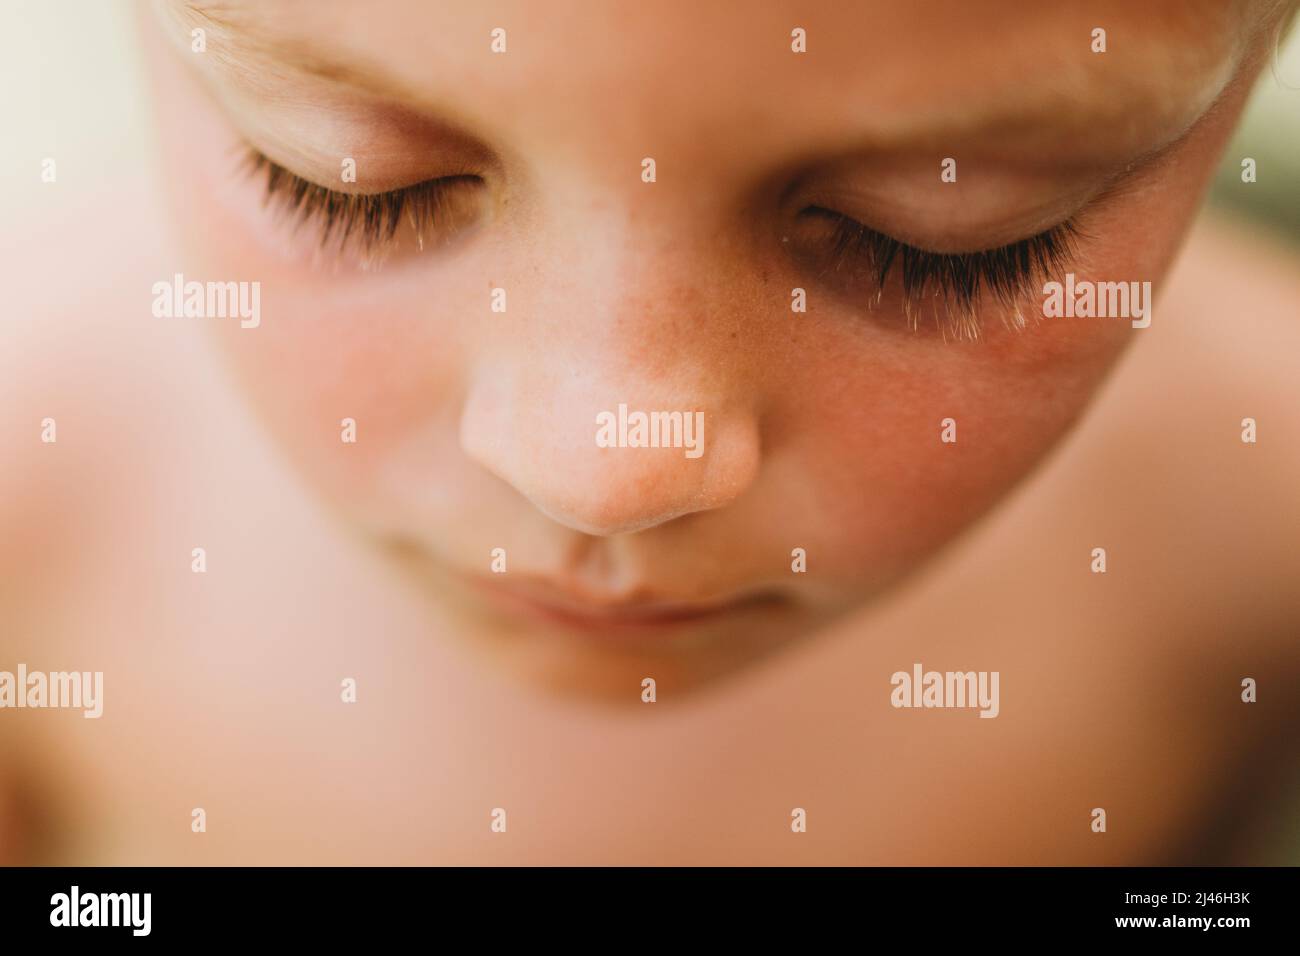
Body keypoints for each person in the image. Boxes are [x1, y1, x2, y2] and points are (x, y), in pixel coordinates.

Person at [1, 0, 1297, 865]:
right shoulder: (34, 496)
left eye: (942, 240)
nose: (604, 469)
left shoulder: (1258, 540)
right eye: (347, 181)